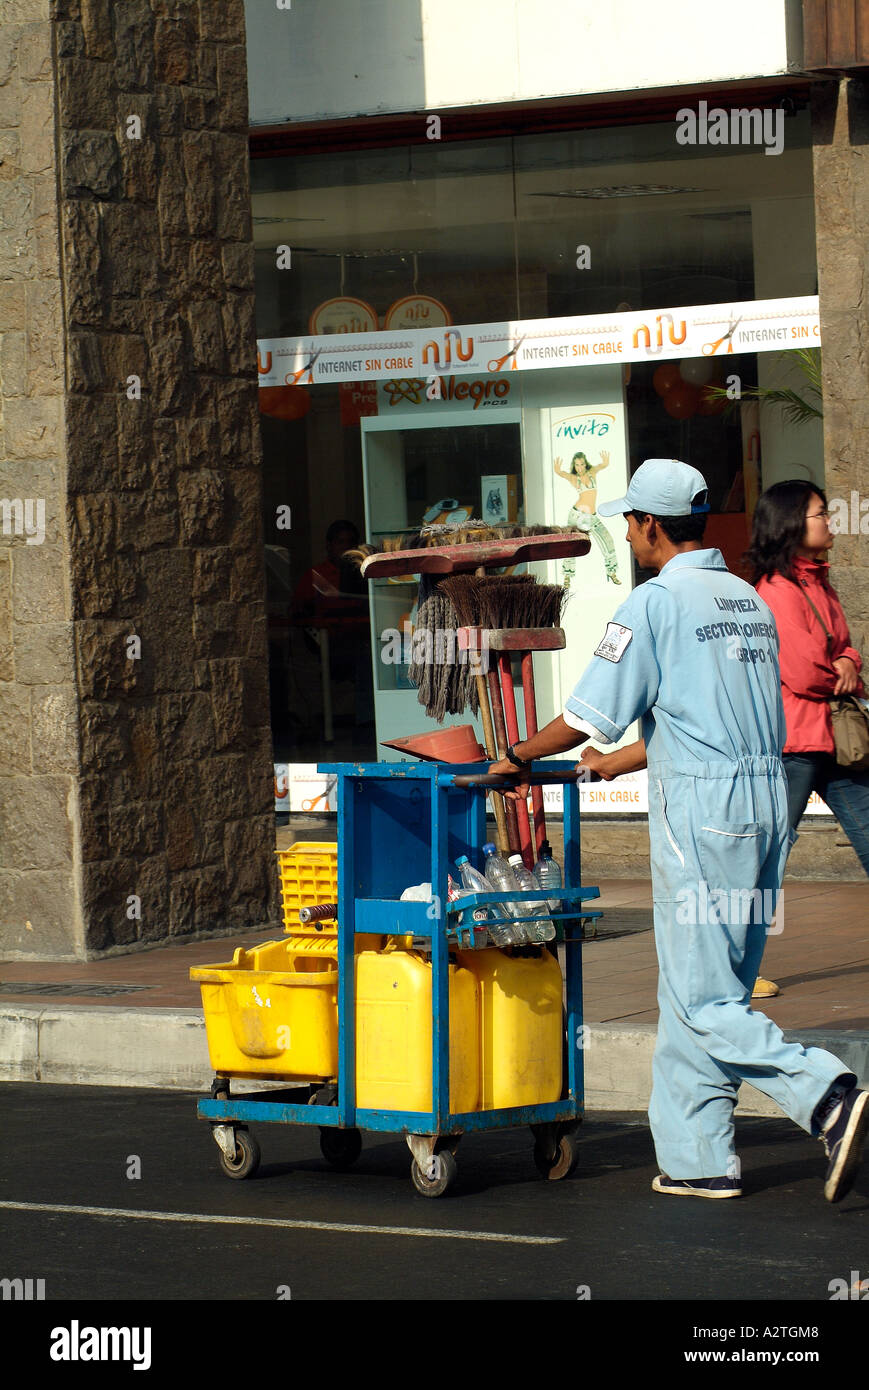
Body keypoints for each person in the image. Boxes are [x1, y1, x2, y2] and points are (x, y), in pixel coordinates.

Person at [489, 458, 869, 1202]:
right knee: (696, 990)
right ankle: (698, 1158)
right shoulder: (745, 599)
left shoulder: (654, 604)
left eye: (629, 520)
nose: (628, 533)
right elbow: (703, 715)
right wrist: (620, 763)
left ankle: (825, 1095)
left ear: (648, 524)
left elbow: (585, 715)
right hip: (761, 806)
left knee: (702, 1001)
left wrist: (516, 754)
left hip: (704, 816)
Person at [747, 480, 869, 877]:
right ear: (791, 523)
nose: (831, 522)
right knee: (770, 855)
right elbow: (802, 673)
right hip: (795, 746)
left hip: (835, 739)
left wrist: (849, 661)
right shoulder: (776, 590)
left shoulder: (818, 580)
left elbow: (845, 645)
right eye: (821, 514)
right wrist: (843, 668)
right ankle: (744, 933)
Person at [554, 450, 621, 586]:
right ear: (574, 466)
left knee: (608, 541)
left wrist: (605, 462)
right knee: (572, 545)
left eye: (582, 464)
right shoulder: (574, 478)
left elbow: (602, 466)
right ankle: (567, 576)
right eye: (577, 465)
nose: (579, 467)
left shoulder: (592, 473)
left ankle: (612, 572)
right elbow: (562, 474)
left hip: (591, 517)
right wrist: (558, 470)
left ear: (585, 464)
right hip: (577, 515)